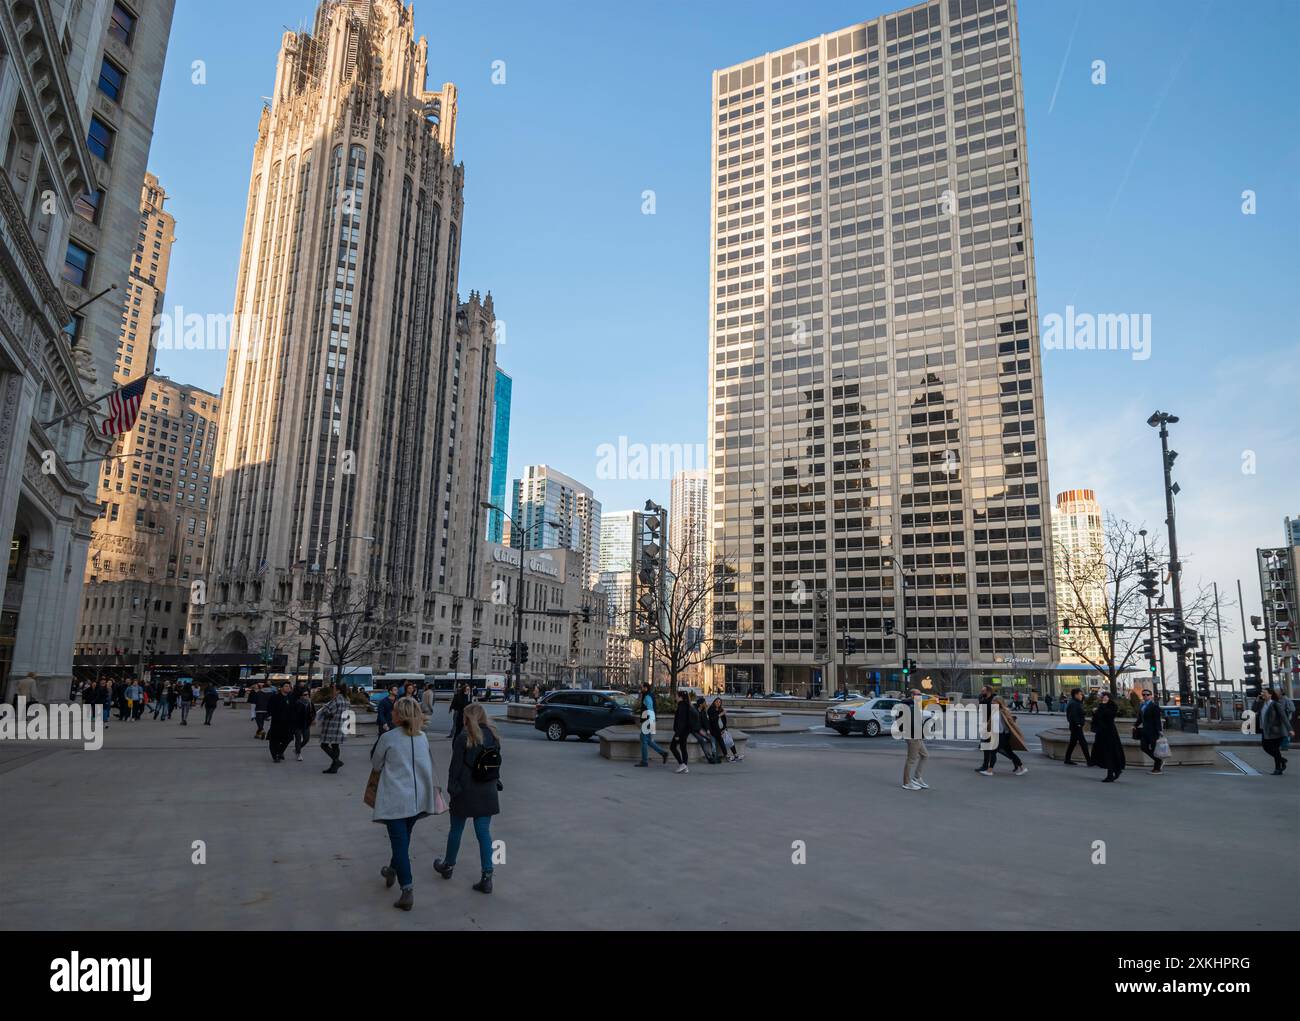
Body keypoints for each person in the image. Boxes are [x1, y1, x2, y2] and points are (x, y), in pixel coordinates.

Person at [371, 696, 439, 911]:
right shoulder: (422, 737)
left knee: (400, 844)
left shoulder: (388, 738)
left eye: (394, 711)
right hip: (417, 800)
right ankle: (391, 870)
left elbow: (376, 763)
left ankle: (407, 889)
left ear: (400, 715)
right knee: (403, 840)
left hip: (396, 800)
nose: (391, 713)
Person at [435, 702, 501, 894]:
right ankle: (487, 876)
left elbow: (454, 768)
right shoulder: (493, 735)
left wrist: (451, 789)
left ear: (468, 718)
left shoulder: (463, 737)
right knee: (483, 833)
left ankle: (448, 866)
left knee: (456, 829)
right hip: (487, 790)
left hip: (465, 790)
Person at [978, 696, 1027, 776]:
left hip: (1002, 735)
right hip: (999, 735)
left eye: (994, 701)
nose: (992, 702)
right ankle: (1022, 767)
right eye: (992, 701)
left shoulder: (1002, 712)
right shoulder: (995, 711)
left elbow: (1009, 723)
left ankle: (990, 771)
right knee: (1009, 752)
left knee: (993, 752)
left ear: (999, 702)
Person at [1090, 690, 1126, 782]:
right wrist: (1096, 711)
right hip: (1101, 732)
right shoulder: (1102, 706)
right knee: (1105, 752)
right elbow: (1098, 717)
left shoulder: (1112, 706)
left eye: (1103, 696)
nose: (1102, 698)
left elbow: (1107, 715)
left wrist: (1102, 706)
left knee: (1110, 752)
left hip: (1109, 732)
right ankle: (1115, 771)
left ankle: (1111, 774)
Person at [316, 684, 351, 774]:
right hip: (341, 726)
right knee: (335, 745)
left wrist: (325, 710)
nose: (333, 691)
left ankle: (336, 761)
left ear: (338, 690)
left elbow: (327, 710)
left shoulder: (336, 699)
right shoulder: (347, 700)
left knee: (324, 745)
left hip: (332, 726)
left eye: (334, 689)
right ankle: (334, 767)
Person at [901, 688, 930, 790]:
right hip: (912, 735)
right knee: (911, 759)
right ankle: (906, 782)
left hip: (918, 735)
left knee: (925, 755)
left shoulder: (915, 704)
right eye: (918, 694)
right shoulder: (908, 704)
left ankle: (917, 778)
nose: (920, 696)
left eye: (920, 694)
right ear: (912, 695)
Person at [1260, 689, 1294, 775]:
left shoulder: (1275, 704)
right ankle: (1282, 760)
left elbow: (1284, 717)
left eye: (1264, 692)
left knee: (1275, 749)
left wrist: (1290, 729)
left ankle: (1278, 769)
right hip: (1266, 730)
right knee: (1266, 747)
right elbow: (1253, 709)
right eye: (1262, 692)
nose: (1262, 694)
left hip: (1276, 731)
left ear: (1270, 694)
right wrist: (1257, 700)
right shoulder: (1261, 704)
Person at [634, 682, 669, 767]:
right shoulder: (649, 695)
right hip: (650, 720)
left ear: (646, 688)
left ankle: (644, 761)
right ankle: (663, 753)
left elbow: (650, 709)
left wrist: (649, 722)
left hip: (648, 721)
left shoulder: (647, 696)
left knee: (643, 740)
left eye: (642, 687)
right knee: (648, 740)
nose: (640, 689)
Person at [265, 681, 298, 763]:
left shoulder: (292, 698)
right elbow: (269, 708)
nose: (288, 688)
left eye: (289, 686)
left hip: (288, 723)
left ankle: (280, 752)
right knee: (274, 740)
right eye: (286, 686)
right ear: (281, 688)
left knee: (288, 738)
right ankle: (275, 755)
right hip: (277, 722)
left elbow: (295, 709)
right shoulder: (274, 697)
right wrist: (269, 715)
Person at [1135, 689, 1164, 774]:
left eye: (1147, 695)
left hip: (1153, 731)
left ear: (1151, 696)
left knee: (1154, 748)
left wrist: (1159, 730)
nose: (1145, 696)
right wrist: (1135, 725)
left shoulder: (1154, 706)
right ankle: (1158, 760)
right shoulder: (1142, 706)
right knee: (1143, 747)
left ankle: (1157, 768)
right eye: (1143, 695)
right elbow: (1140, 718)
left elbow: (1157, 720)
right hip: (1145, 730)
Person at [1063, 688, 1091, 766]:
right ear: (1076, 695)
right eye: (1080, 694)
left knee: (1073, 743)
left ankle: (1067, 759)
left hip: (1075, 726)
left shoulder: (1076, 702)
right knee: (1083, 743)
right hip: (1076, 726)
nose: (1082, 695)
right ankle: (1089, 761)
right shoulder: (1074, 703)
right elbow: (1073, 715)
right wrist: (1078, 723)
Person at [710, 697, 742, 762]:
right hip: (715, 730)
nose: (718, 703)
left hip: (722, 729)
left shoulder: (720, 709)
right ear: (714, 702)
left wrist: (724, 729)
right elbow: (712, 720)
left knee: (730, 740)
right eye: (716, 702)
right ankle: (726, 756)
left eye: (719, 702)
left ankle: (735, 755)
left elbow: (724, 720)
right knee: (721, 740)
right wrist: (720, 714)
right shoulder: (711, 710)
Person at [670, 690, 692, 774]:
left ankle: (682, 764)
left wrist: (677, 734)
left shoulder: (682, 706)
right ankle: (685, 766)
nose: (675, 697)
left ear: (680, 697)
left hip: (681, 732)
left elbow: (681, 722)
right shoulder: (686, 705)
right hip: (685, 731)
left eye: (676, 696)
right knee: (683, 748)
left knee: (672, 747)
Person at [692, 697, 717, 764]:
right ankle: (709, 757)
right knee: (703, 740)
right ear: (701, 704)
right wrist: (699, 730)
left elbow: (706, 721)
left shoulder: (703, 711)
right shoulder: (694, 711)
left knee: (712, 739)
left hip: (701, 729)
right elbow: (692, 723)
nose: (706, 704)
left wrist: (708, 729)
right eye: (704, 703)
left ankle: (714, 755)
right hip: (695, 730)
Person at [293, 685, 314, 761]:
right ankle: (298, 753)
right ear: (301, 696)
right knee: (298, 739)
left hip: (306, 724)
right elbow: (294, 713)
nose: (307, 696)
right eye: (305, 695)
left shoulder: (310, 703)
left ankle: (297, 749)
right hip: (297, 724)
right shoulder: (297, 703)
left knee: (306, 739)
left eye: (308, 694)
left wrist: (312, 720)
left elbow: (313, 712)